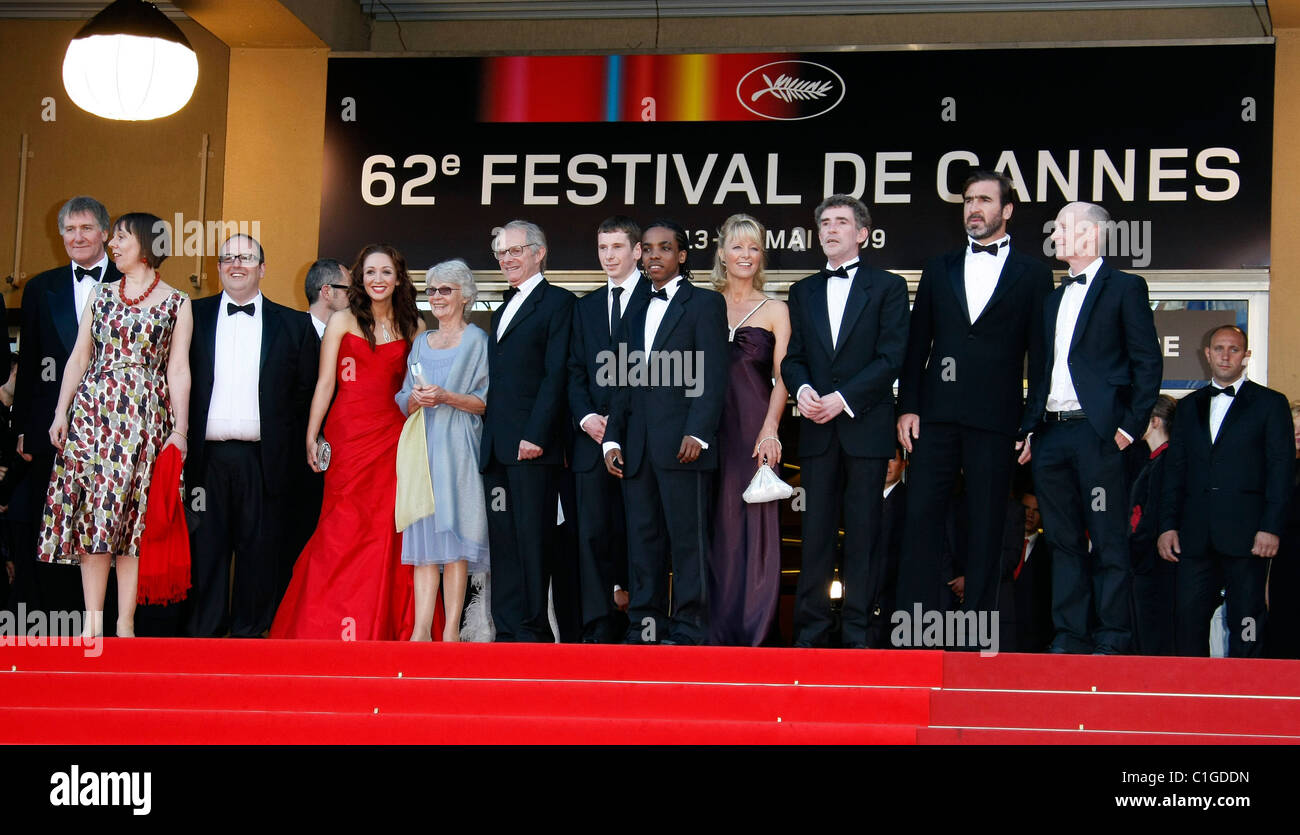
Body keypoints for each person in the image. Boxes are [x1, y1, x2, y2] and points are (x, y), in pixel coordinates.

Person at [894, 170, 1054, 648]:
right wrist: (908, 406)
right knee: (921, 518)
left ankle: (975, 638)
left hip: (997, 419)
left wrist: (1031, 422)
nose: (973, 208)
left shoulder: (1033, 273)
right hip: (936, 417)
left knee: (987, 525)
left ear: (1006, 211)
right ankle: (916, 633)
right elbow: (916, 342)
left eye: (984, 200)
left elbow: (1041, 355)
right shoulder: (938, 267)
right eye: (968, 200)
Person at [38, 212, 192, 638]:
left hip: (146, 421)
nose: (113, 245)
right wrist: (60, 411)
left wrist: (179, 430)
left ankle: (124, 624)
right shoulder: (102, 296)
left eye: (121, 238)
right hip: (94, 416)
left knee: (133, 521)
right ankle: (91, 625)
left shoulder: (178, 302)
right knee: (94, 515)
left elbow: (178, 369)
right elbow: (79, 356)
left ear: (145, 244)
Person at [1021, 201, 1162, 654]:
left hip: (1099, 435)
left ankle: (1112, 637)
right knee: (1061, 542)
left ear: (1092, 235)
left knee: (1107, 540)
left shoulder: (1125, 287)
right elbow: (1041, 372)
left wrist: (1128, 427)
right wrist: (1028, 430)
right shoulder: (1053, 298)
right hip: (1052, 435)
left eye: (1063, 227)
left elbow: (1147, 362)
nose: (1056, 234)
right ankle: (1069, 636)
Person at [271, 244, 420, 640]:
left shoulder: (416, 327)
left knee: (386, 529)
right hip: (348, 437)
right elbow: (325, 383)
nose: (377, 279)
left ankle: (383, 624)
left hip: (394, 439)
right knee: (341, 526)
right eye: (369, 272)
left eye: (386, 272)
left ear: (399, 278)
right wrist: (311, 433)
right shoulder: (342, 320)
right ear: (359, 278)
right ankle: (323, 624)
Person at [781, 195, 909, 648]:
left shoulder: (889, 287)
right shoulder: (802, 291)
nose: (831, 230)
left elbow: (892, 357)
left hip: (866, 429)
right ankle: (810, 634)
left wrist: (843, 398)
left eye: (841, 222)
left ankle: (859, 634)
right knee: (814, 536)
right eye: (825, 224)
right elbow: (792, 359)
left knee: (863, 536)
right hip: (816, 430)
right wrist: (804, 391)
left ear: (862, 233)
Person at [185, 234, 319, 637]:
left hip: (265, 461)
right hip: (205, 461)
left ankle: (250, 636)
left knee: (259, 553)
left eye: (246, 258)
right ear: (218, 267)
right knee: (204, 553)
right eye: (227, 258)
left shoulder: (294, 325)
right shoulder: (190, 316)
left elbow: (307, 394)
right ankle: (202, 638)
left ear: (262, 268)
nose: (236, 265)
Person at [603, 219, 728, 645]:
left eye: (665, 248)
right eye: (649, 249)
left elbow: (712, 375)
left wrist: (699, 432)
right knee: (643, 542)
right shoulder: (634, 307)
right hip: (637, 448)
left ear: (682, 255)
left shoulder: (706, 305)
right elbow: (621, 381)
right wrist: (613, 438)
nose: (655, 255)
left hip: (684, 447)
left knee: (688, 542)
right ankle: (645, 627)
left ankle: (690, 629)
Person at [11, 196, 122, 622]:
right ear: (61, 236)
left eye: (86, 229)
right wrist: (23, 427)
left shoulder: (132, 283)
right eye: (70, 230)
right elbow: (31, 360)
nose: (77, 237)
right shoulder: (41, 287)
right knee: (52, 527)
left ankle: (103, 623)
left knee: (104, 525)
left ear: (105, 233)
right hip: (51, 429)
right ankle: (55, 621)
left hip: (115, 429)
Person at [1158, 326, 1294, 657]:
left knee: (1246, 619)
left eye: (1234, 349)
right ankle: (1190, 695)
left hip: (1249, 535)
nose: (1225, 355)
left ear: (1245, 356)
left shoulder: (1270, 404)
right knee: (1188, 618)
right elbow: (1175, 470)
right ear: (1207, 354)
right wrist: (1167, 525)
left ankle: (1247, 696)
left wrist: (1271, 527)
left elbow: (1281, 470)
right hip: (1195, 534)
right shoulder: (1188, 408)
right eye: (1219, 348)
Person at [480, 220, 576, 642]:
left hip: (534, 448)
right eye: (501, 253)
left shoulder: (558, 303)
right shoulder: (502, 309)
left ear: (539, 252)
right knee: (504, 542)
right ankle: (507, 629)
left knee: (534, 540)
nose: (507, 260)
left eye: (515, 251)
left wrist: (537, 434)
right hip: (498, 448)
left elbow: (557, 375)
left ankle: (533, 631)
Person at [396, 259, 489, 642]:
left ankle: (450, 631)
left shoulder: (478, 341)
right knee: (424, 543)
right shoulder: (420, 342)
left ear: (465, 296)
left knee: (455, 542)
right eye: (431, 290)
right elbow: (402, 397)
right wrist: (416, 398)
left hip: (459, 449)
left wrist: (447, 396)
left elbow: (484, 402)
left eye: (445, 289)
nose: (436, 297)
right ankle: (420, 630)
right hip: (423, 449)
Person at [708, 213, 790, 646]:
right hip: (706, 431)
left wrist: (771, 428)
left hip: (756, 426)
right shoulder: (701, 303)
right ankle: (713, 630)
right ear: (722, 253)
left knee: (756, 522)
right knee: (713, 525)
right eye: (737, 247)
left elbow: (783, 376)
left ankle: (755, 633)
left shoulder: (776, 309)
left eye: (753, 247)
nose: (745, 255)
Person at [568, 216, 647, 643]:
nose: (609, 256)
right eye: (603, 248)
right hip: (590, 438)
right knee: (593, 531)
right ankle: (598, 624)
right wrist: (586, 419)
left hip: (641, 436)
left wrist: (619, 423)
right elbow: (575, 370)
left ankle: (642, 620)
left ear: (636, 251)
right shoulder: (586, 306)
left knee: (641, 528)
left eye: (618, 247)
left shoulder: (657, 301)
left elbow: (659, 375)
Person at [1129, 394, 1177, 655]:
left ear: (1155, 421)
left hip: (1152, 564)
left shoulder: (1165, 462)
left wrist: (1133, 548)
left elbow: (1150, 516)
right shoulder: (1153, 461)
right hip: (1146, 563)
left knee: (1153, 638)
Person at [1010, 490, 1054, 653]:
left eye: (1036, 510)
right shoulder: (1002, 543)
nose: (1030, 514)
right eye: (1026, 508)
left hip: (1035, 639)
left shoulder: (1050, 551)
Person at [305, 258, 350, 339]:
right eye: (348, 290)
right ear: (327, 292)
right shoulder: (291, 335)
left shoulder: (346, 338)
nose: (352, 296)